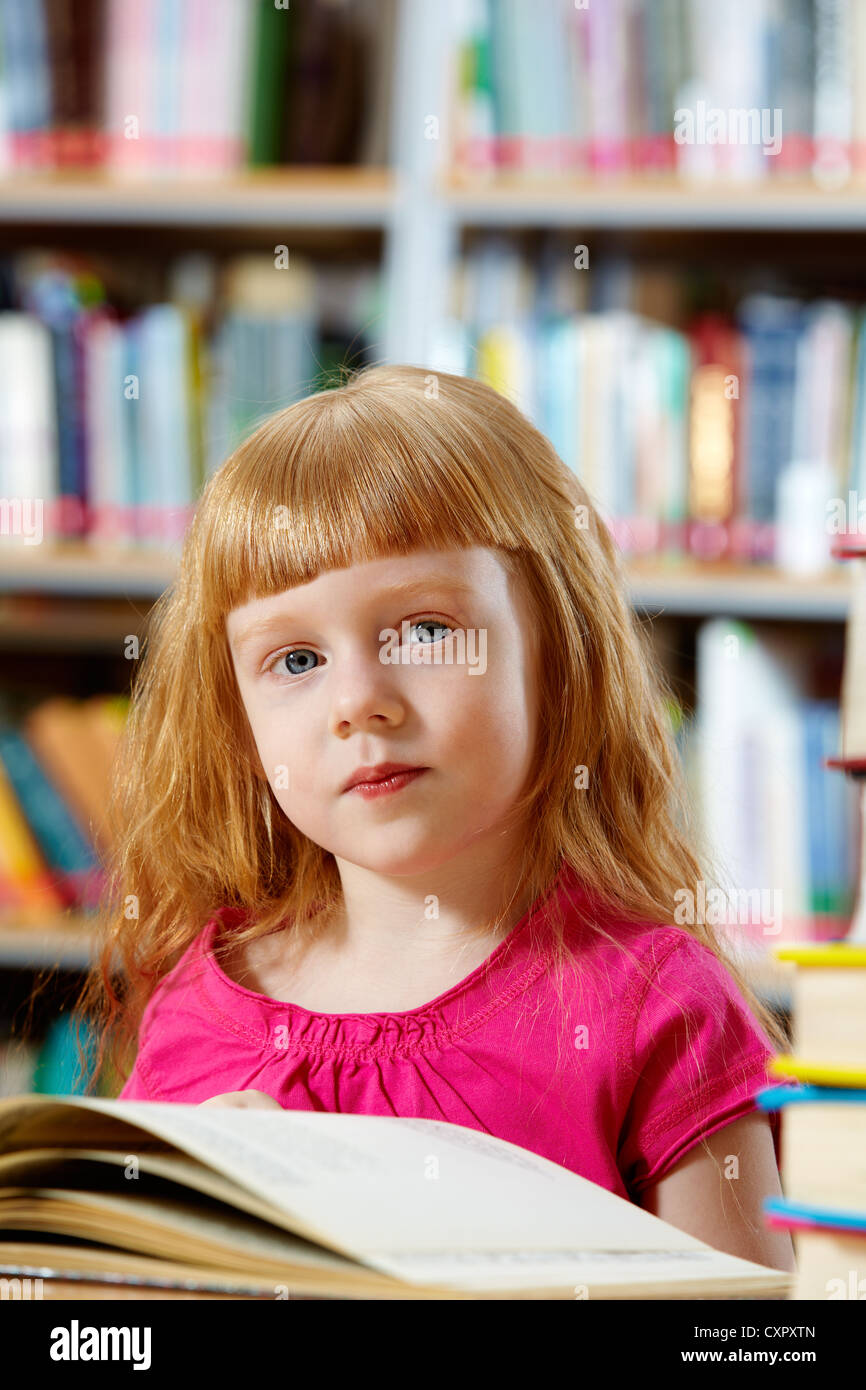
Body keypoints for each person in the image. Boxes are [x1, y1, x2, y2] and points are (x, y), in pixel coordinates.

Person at [78, 364, 795, 1274]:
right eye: (295, 658)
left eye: (423, 631)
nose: (358, 702)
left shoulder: (660, 1007)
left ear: (557, 650)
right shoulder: (195, 1004)